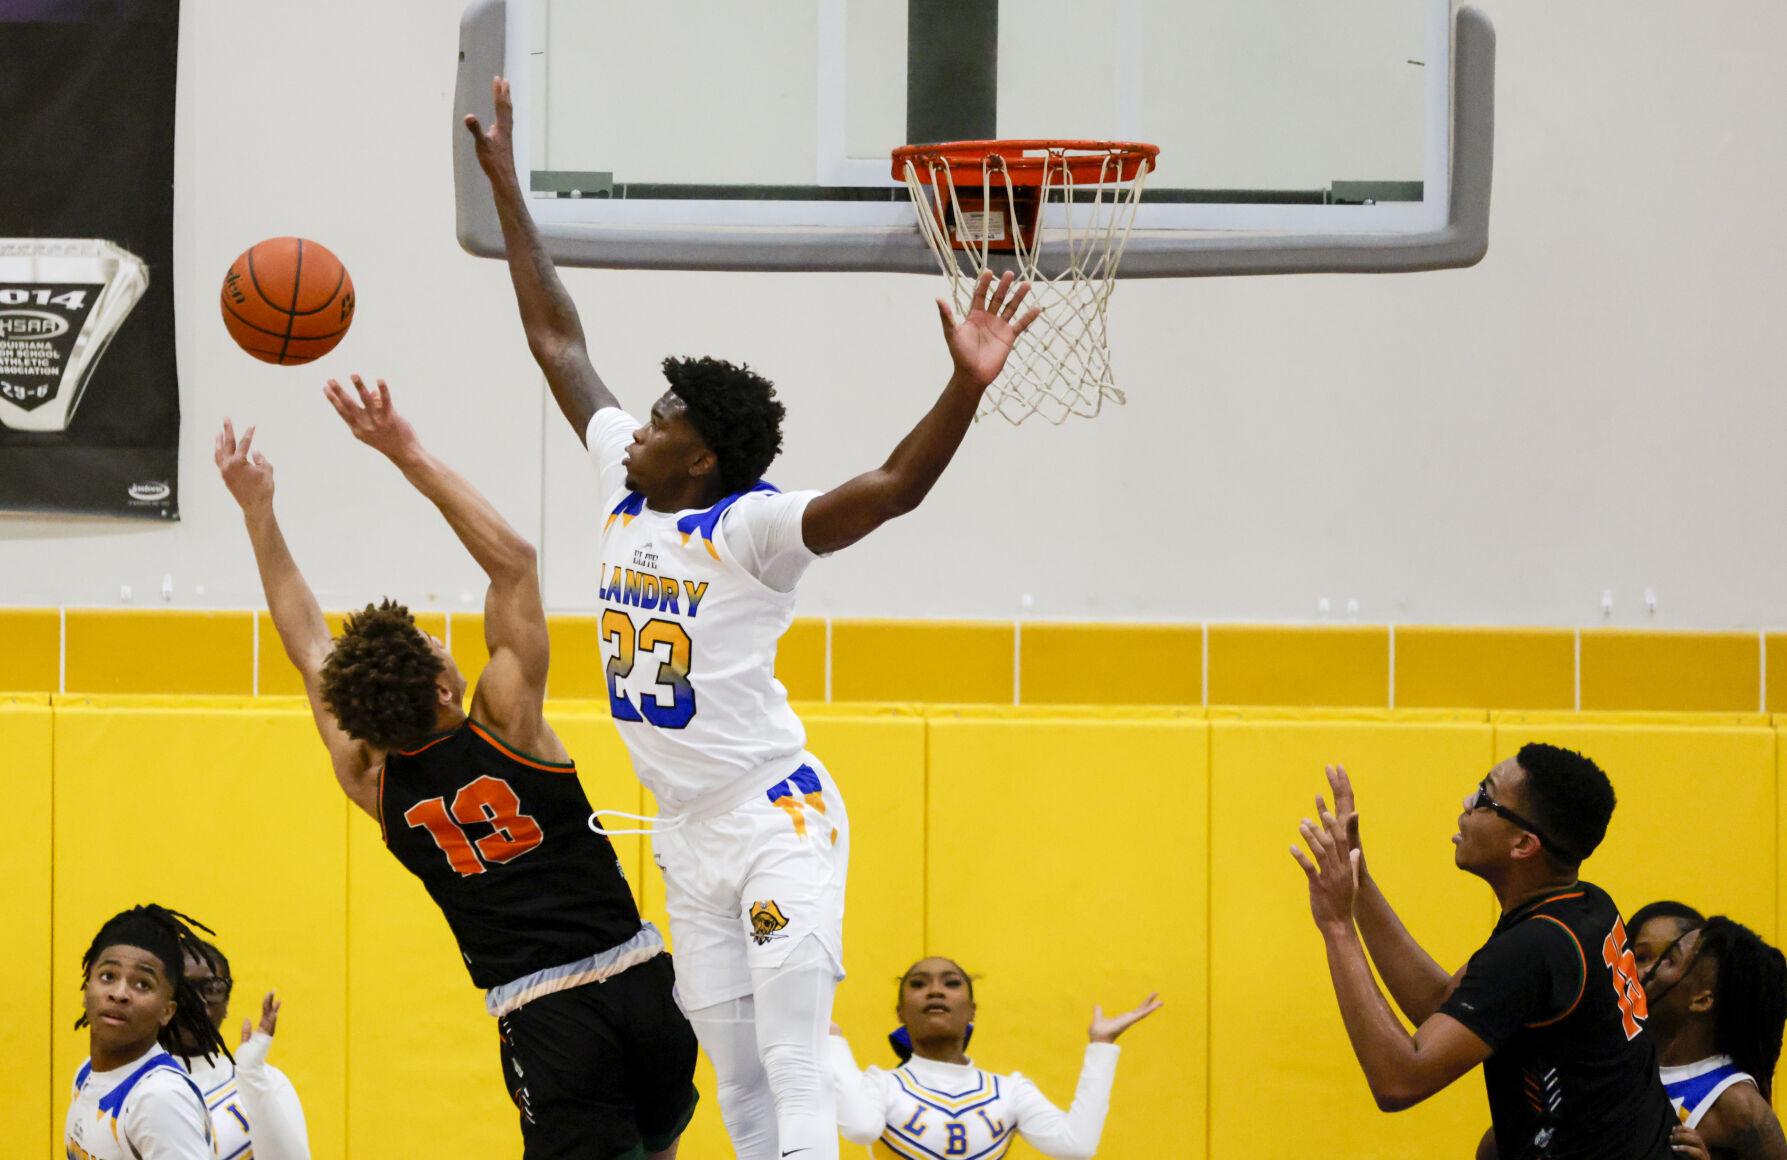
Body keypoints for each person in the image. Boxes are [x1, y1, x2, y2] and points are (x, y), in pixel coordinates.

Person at [466, 77, 1041, 1160]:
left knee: (788, 1049)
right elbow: (557, 342)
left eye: (666, 416)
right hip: (686, 831)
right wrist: (506, 186)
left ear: (704, 455)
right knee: (733, 1076)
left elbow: (888, 488)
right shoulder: (622, 481)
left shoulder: (753, 525)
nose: (640, 420)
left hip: (775, 815)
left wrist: (963, 384)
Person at [216, 378, 697, 1159]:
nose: (450, 643)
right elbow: (514, 563)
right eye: (440, 645)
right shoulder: (508, 720)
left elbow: (308, 646)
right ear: (445, 688)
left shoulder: (370, 777)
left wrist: (257, 512)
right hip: (645, 988)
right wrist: (403, 449)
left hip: (548, 1020)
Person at [1292, 746, 1676, 1159]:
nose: (1466, 804)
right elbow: (1442, 1005)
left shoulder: (1534, 948)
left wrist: (1337, 927)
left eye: (1484, 797)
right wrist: (1358, 880)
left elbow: (1398, 1081)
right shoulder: (1584, 905)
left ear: (1523, 844)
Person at [826, 957, 1160, 1158]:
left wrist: (1101, 1046)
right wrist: (833, 1041)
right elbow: (859, 1129)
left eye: (952, 983)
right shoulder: (882, 1085)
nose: (935, 990)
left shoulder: (1008, 1091)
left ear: (971, 1010)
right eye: (919, 984)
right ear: (900, 1013)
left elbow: (1077, 1146)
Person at [66, 904, 229, 1160]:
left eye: (142, 984)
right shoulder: (86, 1074)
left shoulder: (159, 1098)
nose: (119, 994)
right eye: (108, 976)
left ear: (167, 1010)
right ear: (86, 990)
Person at [1629, 904, 1787, 1158]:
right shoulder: (1626, 1055)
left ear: (1702, 1000)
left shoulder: (1740, 1106)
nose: (1649, 970)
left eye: (1669, 960)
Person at [171, 936, 311, 1160]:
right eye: (183, 990)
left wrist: (253, 1078)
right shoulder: (128, 1079)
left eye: (212, 989)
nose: (197, 1006)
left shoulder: (266, 1082)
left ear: (226, 1004)